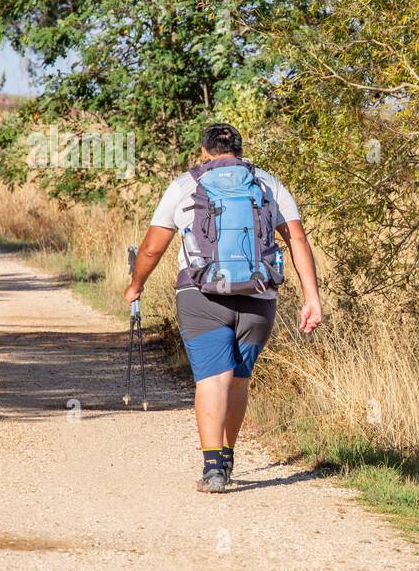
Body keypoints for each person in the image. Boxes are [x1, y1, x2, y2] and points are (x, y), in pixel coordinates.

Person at [124, 123, 323, 493]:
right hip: (259, 298)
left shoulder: (185, 185)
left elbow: (152, 247)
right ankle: (228, 455)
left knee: (213, 379)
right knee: (239, 379)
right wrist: (312, 298)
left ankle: (214, 468)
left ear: (204, 152)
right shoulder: (267, 184)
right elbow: (296, 237)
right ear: (240, 150)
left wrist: (136, 285)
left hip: (201, 297)